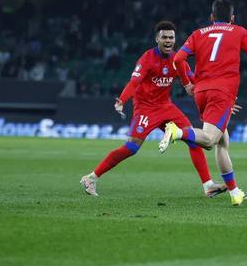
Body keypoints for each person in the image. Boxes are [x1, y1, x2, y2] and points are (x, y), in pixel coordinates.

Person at [79, 21, 227, 198]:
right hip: (146, 109)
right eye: (164, 37)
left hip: (166, 107)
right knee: (131, 147)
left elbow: (193, 78)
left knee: (193, 139)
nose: (168, 41)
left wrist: (220, 95)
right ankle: (91, 178)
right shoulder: (147, 59)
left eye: (171, 37)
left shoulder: (177, 59)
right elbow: (134, 82)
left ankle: (208, 185)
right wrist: (122, 100)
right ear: (157, 39)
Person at [161, 0, 247, 206]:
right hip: (223, 92)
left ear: (212, 17)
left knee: (222, 142)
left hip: (202, 92)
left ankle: (235, 192)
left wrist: (187, 84)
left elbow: (177, 59)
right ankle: (177, 132)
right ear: (232, 18)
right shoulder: (239, 32)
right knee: (210, 140)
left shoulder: (198, 33)